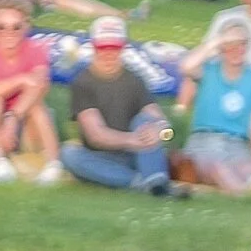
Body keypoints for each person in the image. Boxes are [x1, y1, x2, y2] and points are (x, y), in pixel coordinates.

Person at [62, 16, 179, 196]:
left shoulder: (134, 80)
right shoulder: (83, 83)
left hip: (136, 154)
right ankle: (146, 184)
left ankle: (155, 180)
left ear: (123, 48)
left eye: (114, 47)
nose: (109, 54)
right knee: (69, 154)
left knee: (147, 121)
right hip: (103, 156)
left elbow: (165, 127)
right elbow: (96, 136)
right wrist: (133, 140)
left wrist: (160, 133)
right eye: (103, 47)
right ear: (94, 47)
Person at [174, 16, 251, 193]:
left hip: (236, 144)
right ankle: (246, 195)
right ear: (221, 48)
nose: (237, 49)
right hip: (204, 141)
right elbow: (186, 66)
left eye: (242, 44)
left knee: (247, 169)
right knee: (218, 168)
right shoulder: (208, 70)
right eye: (231, 45)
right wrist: (219, 40)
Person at [0, 0, 59, 185]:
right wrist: (20, 80)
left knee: (36, 106)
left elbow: (40, 85)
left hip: (21, 118)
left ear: (25, 27)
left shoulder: (35, 52)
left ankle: (54, 164)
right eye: (2, 26)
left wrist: (12, 119)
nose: (8, 32)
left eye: (16, 27)